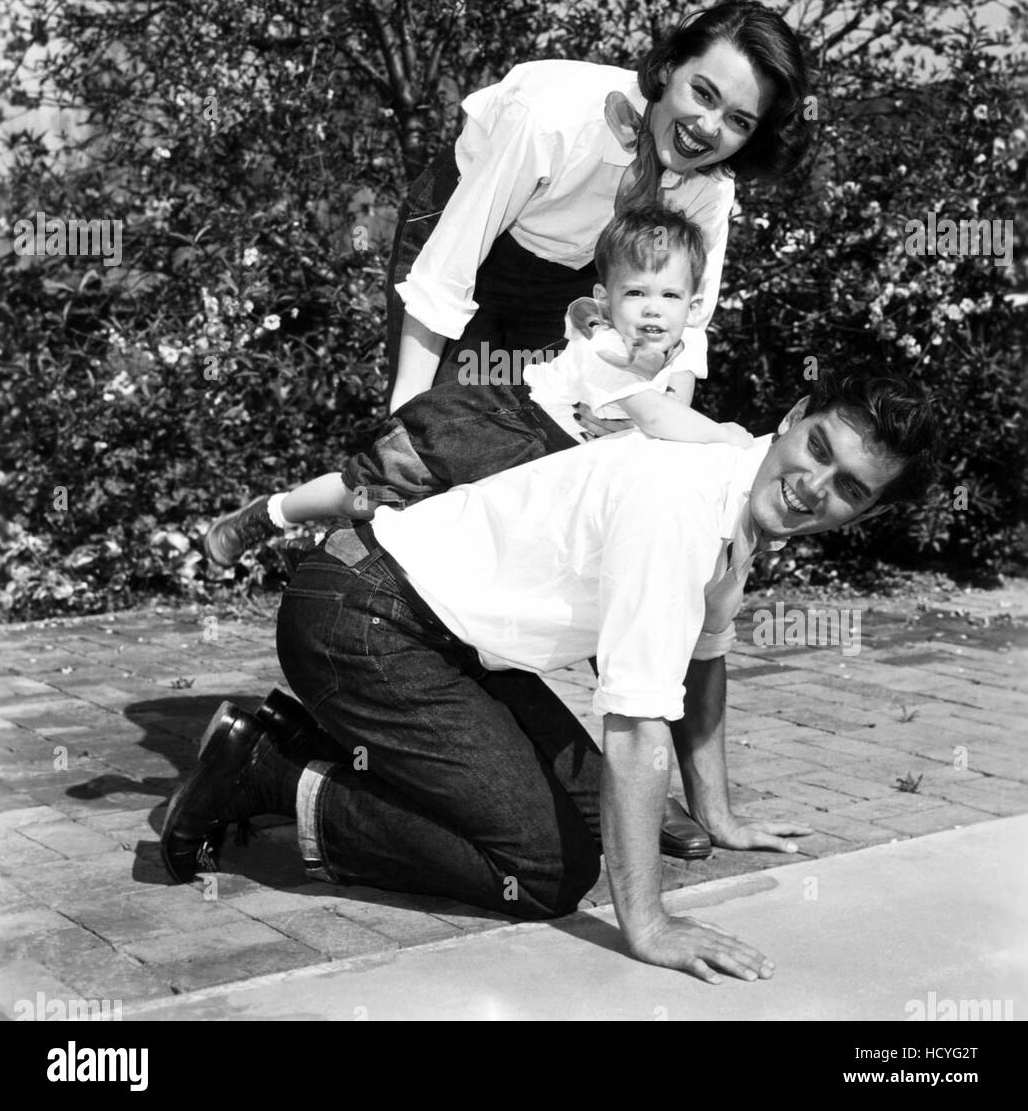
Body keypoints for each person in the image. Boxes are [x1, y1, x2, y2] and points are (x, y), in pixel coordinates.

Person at [162, 370, 939, 983]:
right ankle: (266, 774)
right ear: (793, 415)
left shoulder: (741, 495)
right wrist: (650, 926)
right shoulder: (682, 505)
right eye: (818, 449)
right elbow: (635, 728)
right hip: (361, 619)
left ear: (863, 513)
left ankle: (322, 740)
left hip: (445, 638)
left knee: (592, 818)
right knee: (543, 872)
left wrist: (720, 813)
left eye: (847, 489)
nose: (814, 485)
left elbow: (705, 657)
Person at [202, 205, 753, 565]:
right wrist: (726, 436)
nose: (653, 310)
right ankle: (276, 512)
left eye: (670, 297)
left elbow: (671, 413)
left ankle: (328, 558)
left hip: (543, 468)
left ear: (694, 305)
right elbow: (660, 418)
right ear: (605, 301)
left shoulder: (680, 348)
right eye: (636, 294)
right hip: (498, 427)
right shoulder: (604, 346)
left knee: (431, 542)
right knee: (373, 488)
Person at [385, 0, 810, 411]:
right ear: (667, 69)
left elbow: (685, 318)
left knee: (536, 422)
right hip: (467, 232)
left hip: (572, 278)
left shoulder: (710, 188)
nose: (708, 128)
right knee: (439, 420)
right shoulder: (552, 117)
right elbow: (444, 275)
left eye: (739, 121)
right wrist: (403, 421)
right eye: (702, 93)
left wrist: (663, 426)